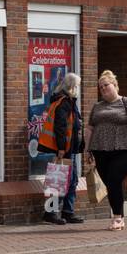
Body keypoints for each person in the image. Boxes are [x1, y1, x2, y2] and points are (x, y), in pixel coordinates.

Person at [87, 70, 127, 231]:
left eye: (106, 85)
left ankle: (117, 217)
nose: (103, 89)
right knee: (111, 183)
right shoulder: (97, 106)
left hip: (124, 149)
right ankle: (119, 216)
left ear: (115, 85)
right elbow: (89, 129)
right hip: (100, 149)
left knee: (114, 179)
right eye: (100, 87)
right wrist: (87, 149)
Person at [42, 72, 85, 226]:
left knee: (71, 180)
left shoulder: (69, 101)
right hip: (65, 148)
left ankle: (68, 211)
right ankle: (50, 213)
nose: (79, 88)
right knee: (60, 180)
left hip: (70, 148)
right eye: (78, 86)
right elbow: (60, 127)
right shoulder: (64, 103)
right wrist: (61, 148)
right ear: (72, 87)